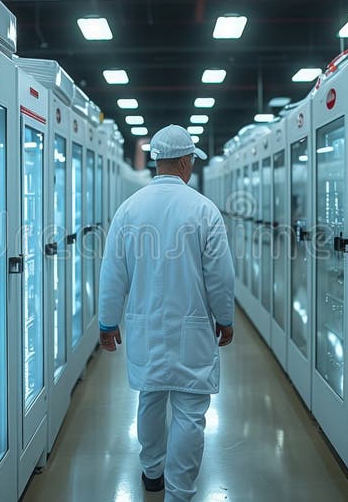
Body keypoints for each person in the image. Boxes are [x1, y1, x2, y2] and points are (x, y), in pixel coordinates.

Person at [97, 124, 235, 502]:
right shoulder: (204, 210)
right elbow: (220, 276)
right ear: (187, 161)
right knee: (190, 412)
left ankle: (152, 473)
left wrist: (108, 322)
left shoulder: (129, 210)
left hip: (145, 327)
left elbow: (113, 272)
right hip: (192, 328)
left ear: (158, 160)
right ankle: (179, 492)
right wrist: (225, 318)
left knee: (151, 398)